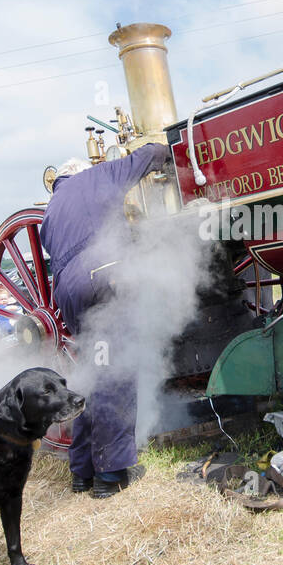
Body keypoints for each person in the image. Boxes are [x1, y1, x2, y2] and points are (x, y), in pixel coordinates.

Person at [40, 143, 172, 497]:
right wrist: (169, 151)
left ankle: (82, 473)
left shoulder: (51, 211)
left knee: (93, 373)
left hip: (69, 294)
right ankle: (111, 475)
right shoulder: (98, 176)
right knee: (117, 373)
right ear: (83, 171)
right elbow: (144, 157)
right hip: (104, 279)